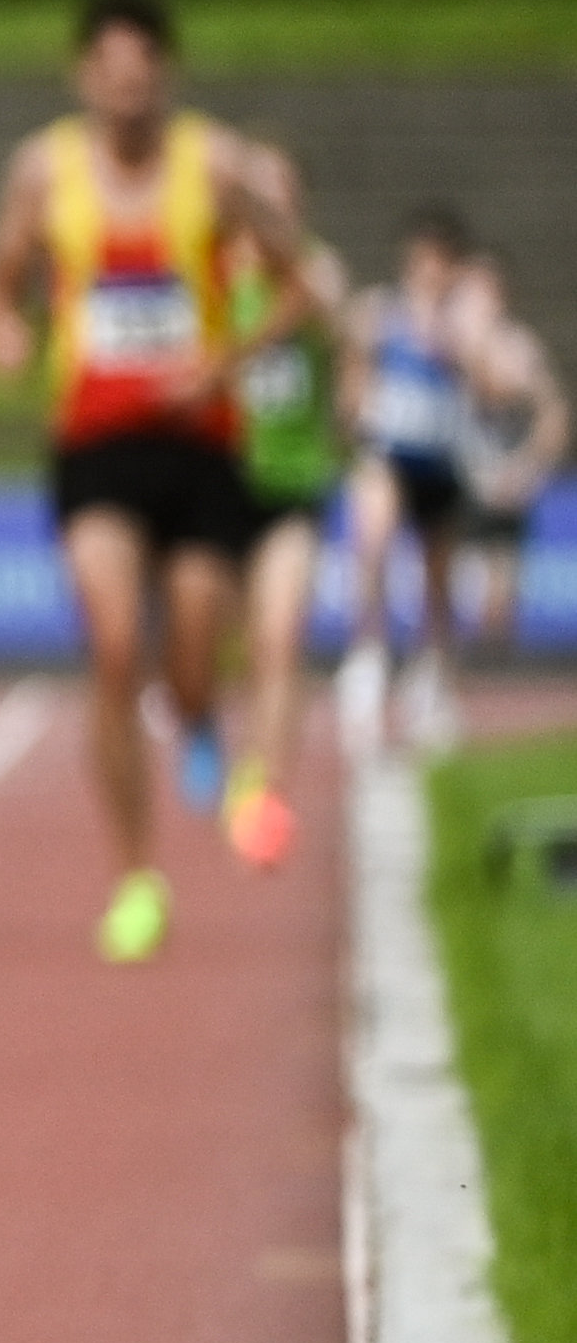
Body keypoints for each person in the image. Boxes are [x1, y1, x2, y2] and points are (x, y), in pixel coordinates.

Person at [0, 0, 311, 962]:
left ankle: (200, 716)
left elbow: (298, 288)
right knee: (115, 648)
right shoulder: (44, 170)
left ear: (167, 72)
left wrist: (220, 364)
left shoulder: (217, 166)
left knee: (194, 655)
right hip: (94, 445)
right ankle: (134, 876)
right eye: (107, 69)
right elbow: (0, 282)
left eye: (143, 67)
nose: (126, 86)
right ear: (84, 75)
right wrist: (1, 331)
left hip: (201, 444)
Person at [214, 159, 354, 869]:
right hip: (217, 481)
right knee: (220, 638)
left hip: (292, 482)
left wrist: (353, 392)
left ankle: (262, 790)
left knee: (278, 635)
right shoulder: (210, 273)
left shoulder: (313, 272)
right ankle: (210, 735)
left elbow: (341, 332)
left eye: (280, 195)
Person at [336, 210, 483, 755]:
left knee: (437, 579)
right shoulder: (379, 314)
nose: (433, 274)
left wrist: (459, 346)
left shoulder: (466, 324)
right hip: (389, 454)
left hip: (440, 461)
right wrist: (356, 415)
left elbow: (490, 384)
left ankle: (432, 673)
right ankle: (368, 657)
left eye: (444, 265)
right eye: (425, 263)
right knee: (372, 544)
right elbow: (352, 382)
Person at [451, 250, 564, 667]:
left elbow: (550, 411)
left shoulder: (518, 347)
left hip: (504, 479)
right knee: (464, 581)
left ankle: (494, 675)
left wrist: (529, 468)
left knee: (502, 586)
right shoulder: (444, 338)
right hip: (463, 478)